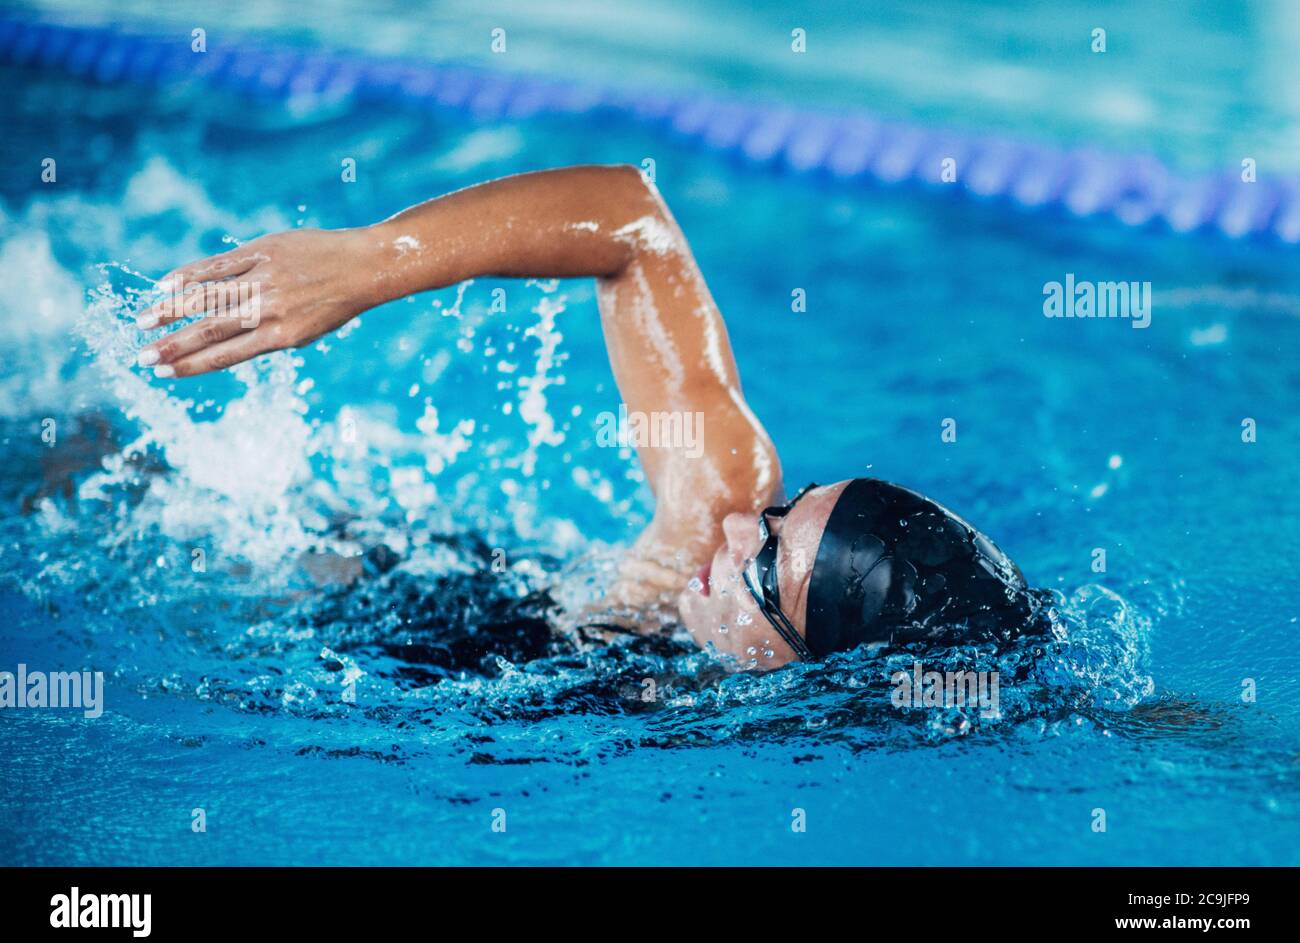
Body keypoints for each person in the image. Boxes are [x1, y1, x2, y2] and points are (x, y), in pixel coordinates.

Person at [138, 164, 1040, 670]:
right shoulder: (710, 519)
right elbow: (629, 219)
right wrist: (367, 264)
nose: (733, 527)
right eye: (779, 514)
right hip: (360, 574)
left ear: (820, 674)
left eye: (767, 567)